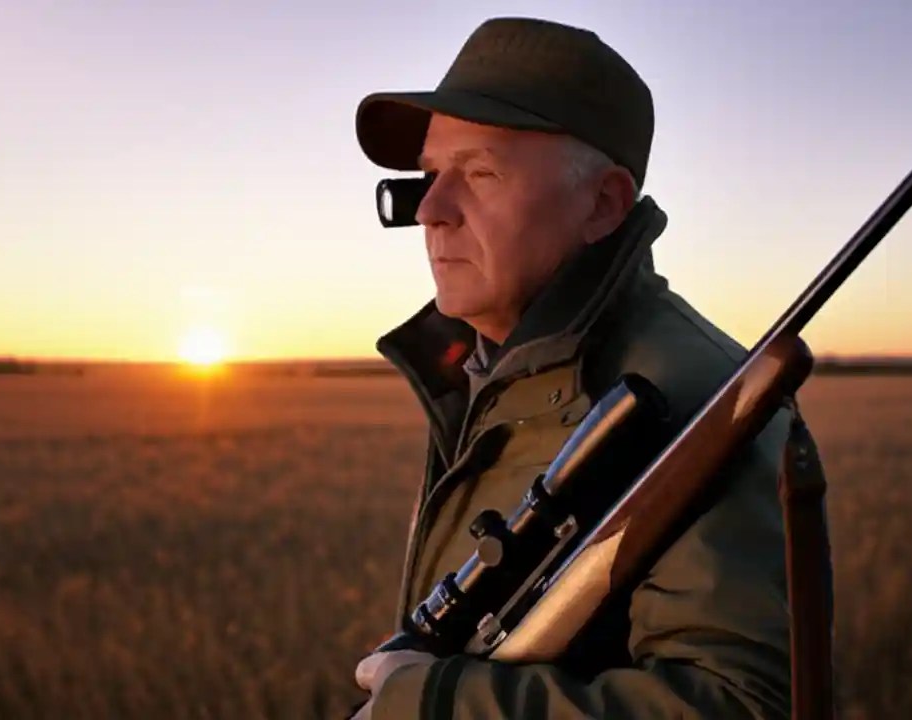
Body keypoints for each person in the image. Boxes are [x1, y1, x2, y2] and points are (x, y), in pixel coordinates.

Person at [349, 16, 828, 720]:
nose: (430, 210)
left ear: (602, 204)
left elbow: (742, 706)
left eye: (480, 172)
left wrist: (434, 704)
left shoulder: (706, 402)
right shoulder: (493, 365)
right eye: (428, 176)